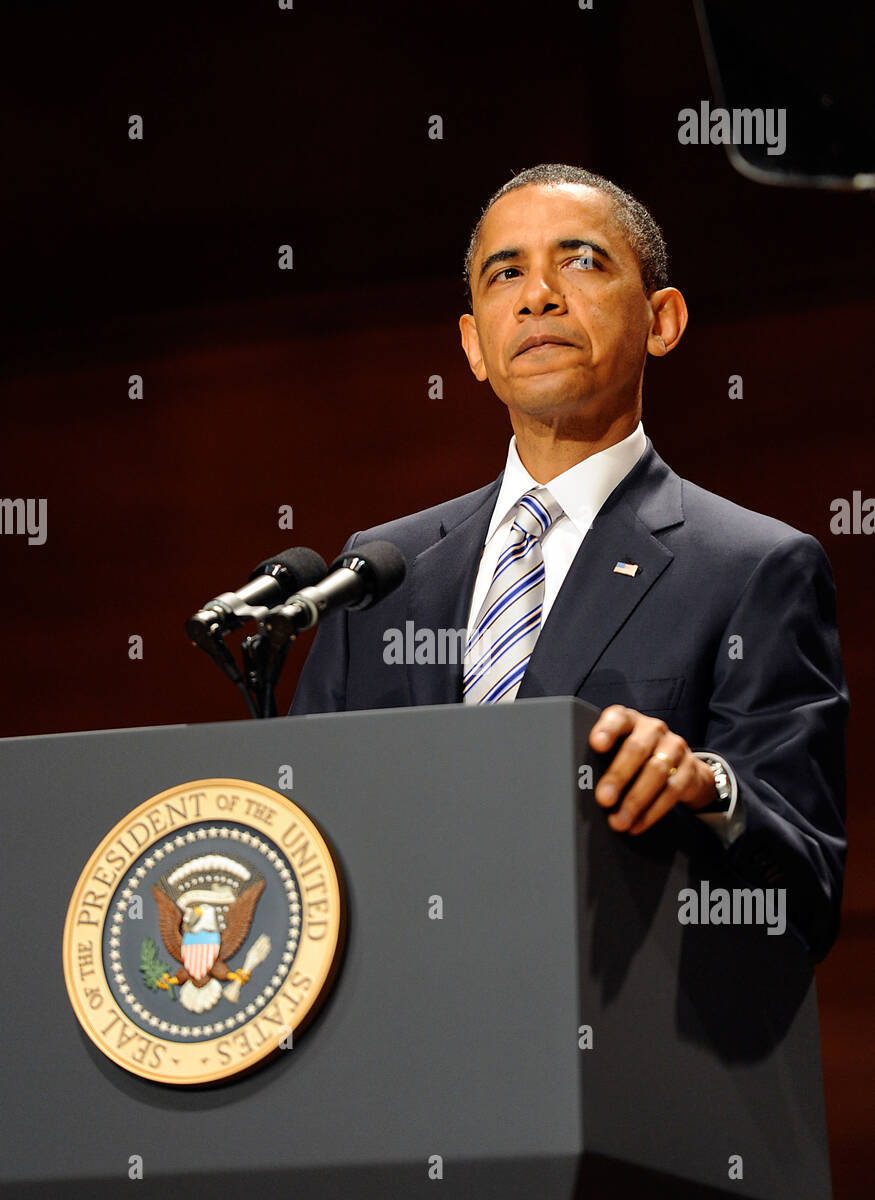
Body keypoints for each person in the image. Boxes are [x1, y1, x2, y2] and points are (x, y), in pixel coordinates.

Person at [290, 163, 848, 961]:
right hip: (397, 1030)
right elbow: (306, 836)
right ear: (472, 344)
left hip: (616, 1042)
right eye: (505, 272)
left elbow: (806, 891)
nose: (537, 295)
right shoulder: (381, 573)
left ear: (662, 320)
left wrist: (710, 790)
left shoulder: (753, 568)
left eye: (580, 261)